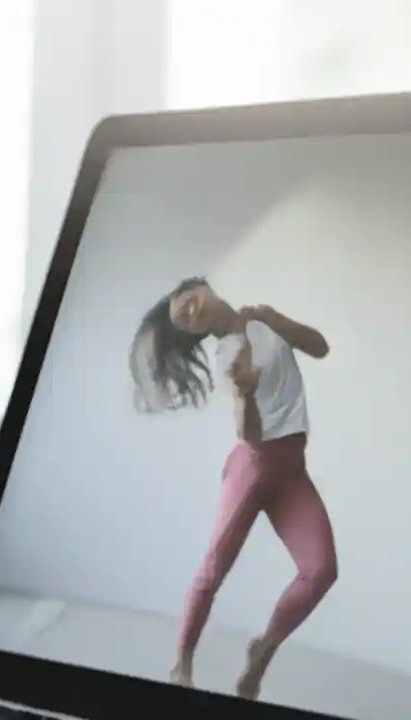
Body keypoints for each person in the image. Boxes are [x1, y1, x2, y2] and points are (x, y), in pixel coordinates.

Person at [128, 277, 337, 700]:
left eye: (188, 301)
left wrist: (278, 320)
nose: (190, 312)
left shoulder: (264, 322)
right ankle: (181, 665)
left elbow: (320, 347)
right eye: (184, 321)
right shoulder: (227, 356)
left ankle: (264, 647)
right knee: (213, 569)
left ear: (202, 287)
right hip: (254, 468)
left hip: (292, 472)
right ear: (194, 335)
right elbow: (250, 433)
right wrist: (244, 395)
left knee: (321, 571)